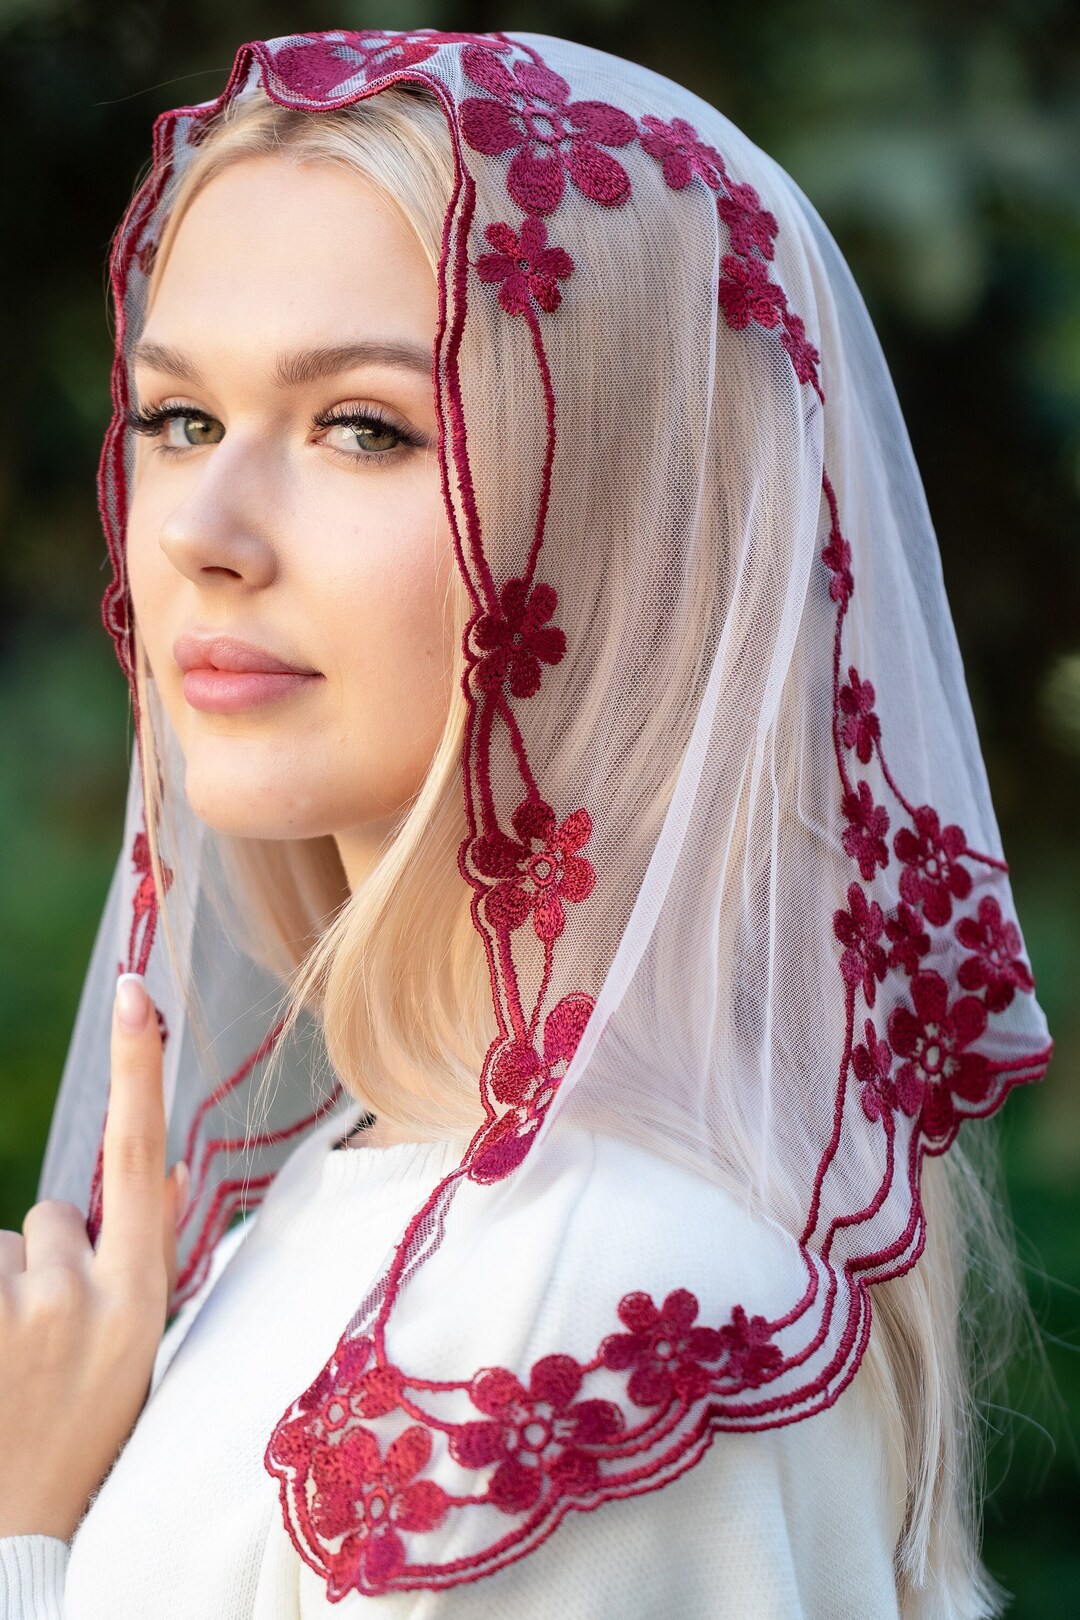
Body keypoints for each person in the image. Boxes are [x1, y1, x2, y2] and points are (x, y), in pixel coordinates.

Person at [0, 27, 1053, 1618]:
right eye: (178, 422)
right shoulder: (390, 1191)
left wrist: (25, 1533)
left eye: (365, 426)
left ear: (627, 529)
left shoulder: (598, 1300)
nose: (202, 535)